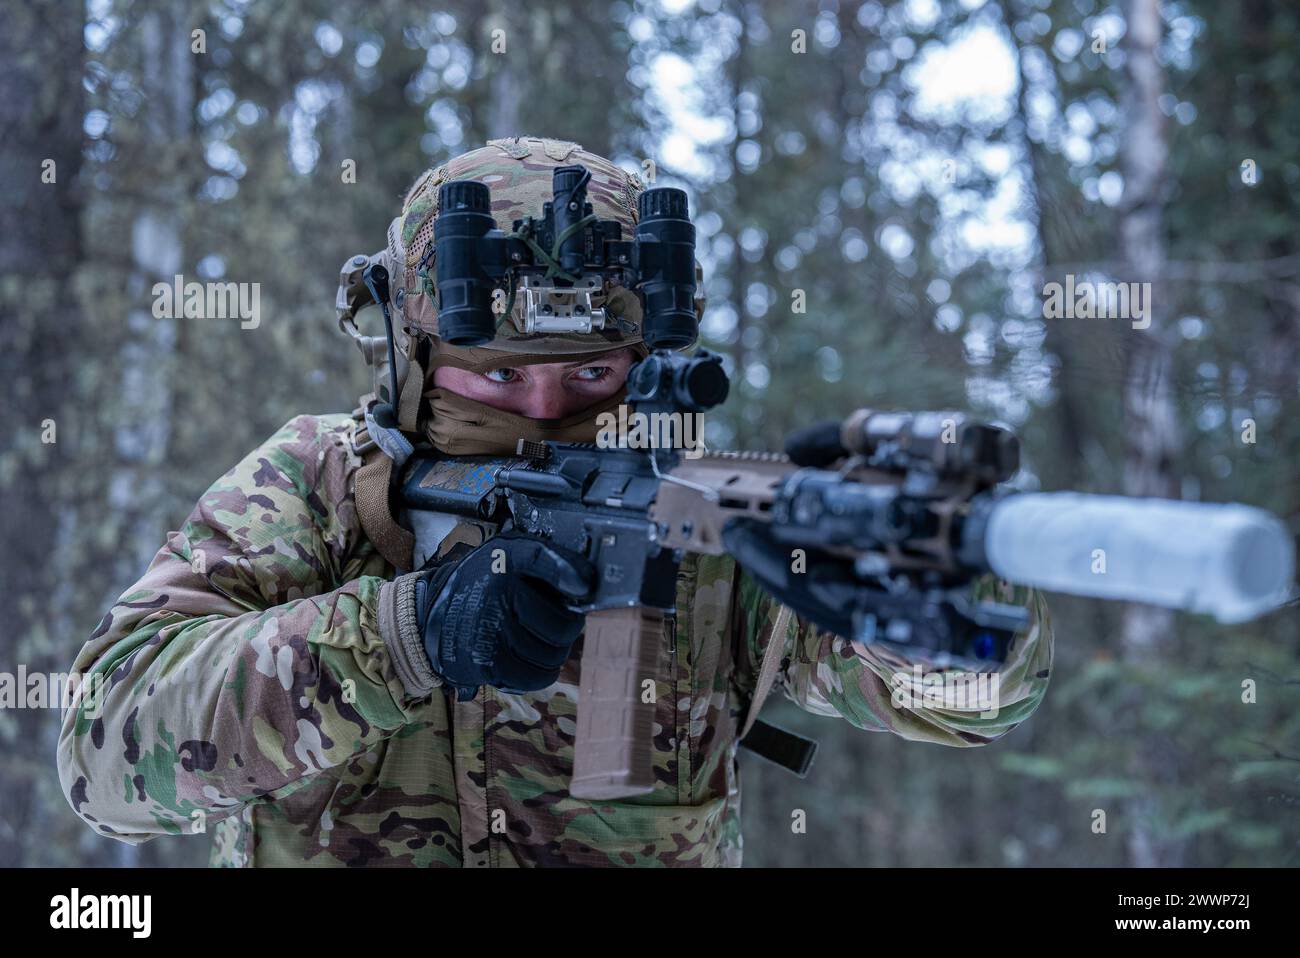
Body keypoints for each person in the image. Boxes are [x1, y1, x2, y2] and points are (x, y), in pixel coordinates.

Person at [57, 136, 1053, 867]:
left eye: (589, 377)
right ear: (413, 358)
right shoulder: (316, 483)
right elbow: (104, 757)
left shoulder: (705, 514)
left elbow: (976, 703)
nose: (541, 408)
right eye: (494, 378)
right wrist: (402, 635)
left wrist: (930, 589)